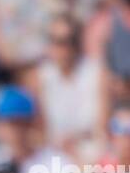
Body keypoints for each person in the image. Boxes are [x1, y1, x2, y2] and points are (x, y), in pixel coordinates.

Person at [32, 14, 102, 163]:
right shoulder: (42, 77)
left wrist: (74, 145)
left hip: (90, 151)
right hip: (53, 152)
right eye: (54, 40)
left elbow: (101, 129)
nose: (60, 48)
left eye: (66, 41)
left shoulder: (96, 73)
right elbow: (39, 131)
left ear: (77, 43)